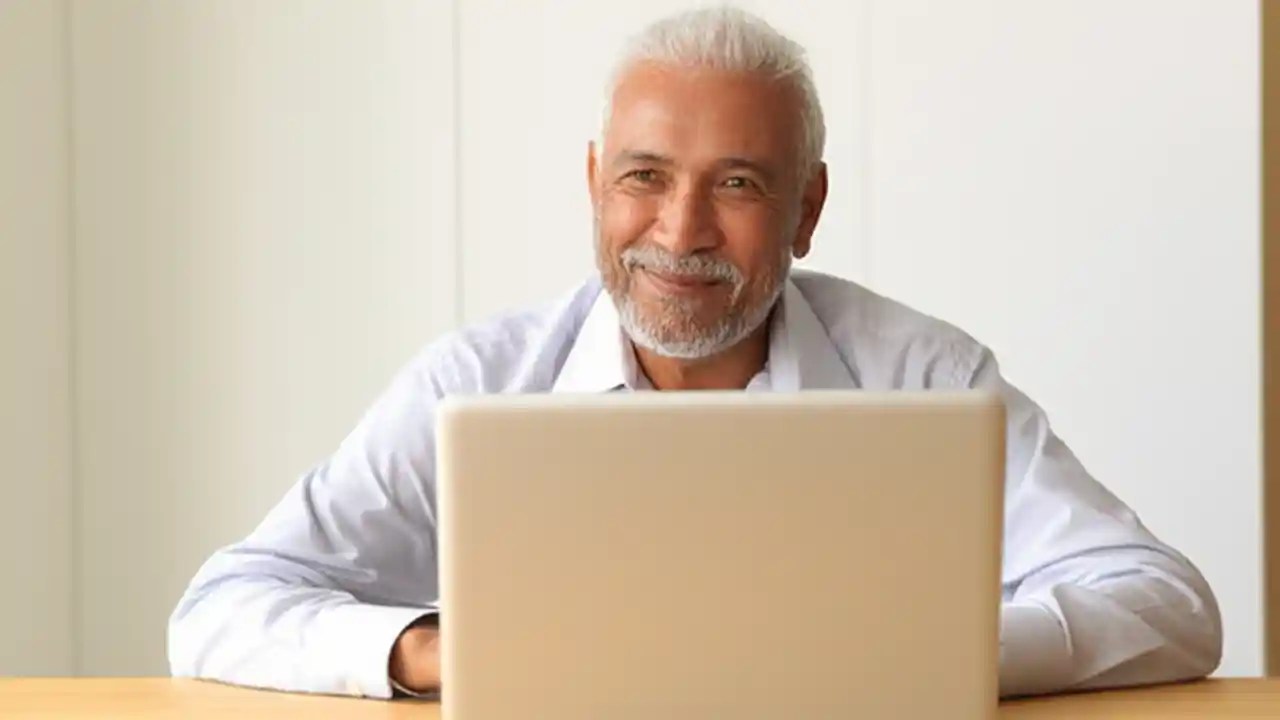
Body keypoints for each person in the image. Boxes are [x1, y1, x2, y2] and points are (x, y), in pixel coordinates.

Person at [168, 6, 1222, 700]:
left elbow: (1166, 607)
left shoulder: (927, 379)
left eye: (736, 184)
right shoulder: (475, 384)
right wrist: (428, 652)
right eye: (642, 178)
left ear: (805, 208)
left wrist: (929, 662)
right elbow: (218, 611)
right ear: (593, 185)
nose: (678, 234)